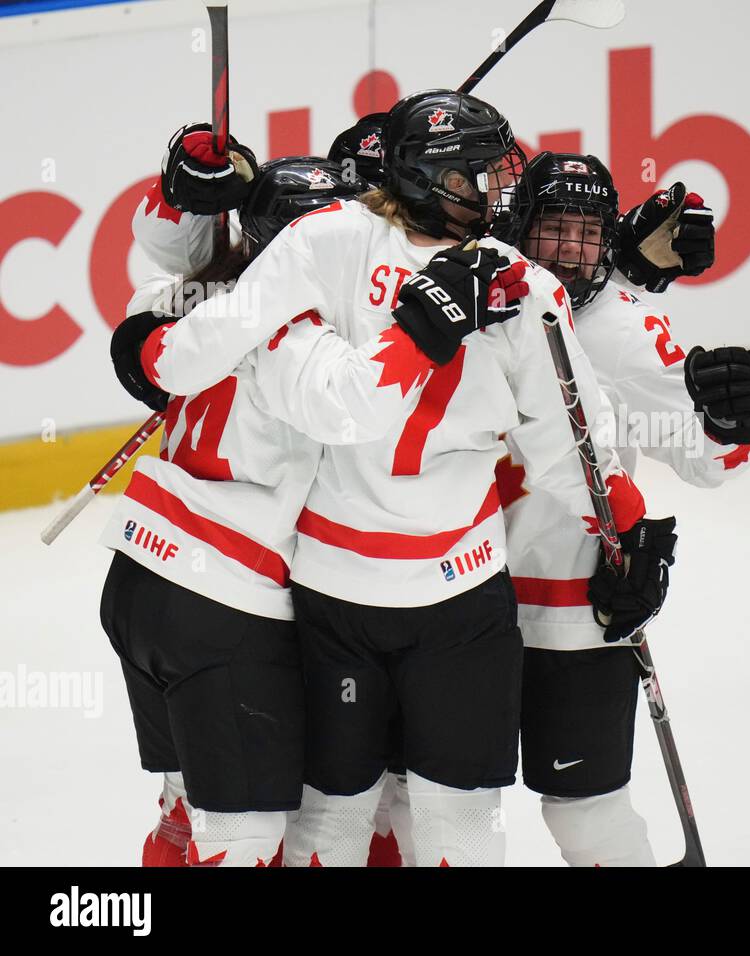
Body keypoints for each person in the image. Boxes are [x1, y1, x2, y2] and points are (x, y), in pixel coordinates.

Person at [117, 90, 668, 866]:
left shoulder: (327, 241)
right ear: (427, 176)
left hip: (366, 594)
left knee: (366, 827)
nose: (496, 188)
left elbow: (205, 336)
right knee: (417, 827)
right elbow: (566, 453)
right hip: (418, 598)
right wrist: (625, 530)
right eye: (476, 172)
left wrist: (148, 354)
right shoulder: (510, 282)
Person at [470, 153, 750, 866]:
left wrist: (734, 423)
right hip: (456, 601)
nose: (571, 251)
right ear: (517, 224)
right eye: (553, 229)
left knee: (586, 811)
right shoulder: (467, 293)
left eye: (588, 232)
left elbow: (709, 457)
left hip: (573, 605)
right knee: (441, 809)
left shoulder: (622, 329)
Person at [106, 129, 366, 866]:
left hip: (139, 579)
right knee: (246, 838)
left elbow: (163, 272)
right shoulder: (315, 344)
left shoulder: (193, 301)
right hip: (224, 600)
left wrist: (190, 192)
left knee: (184, 813)